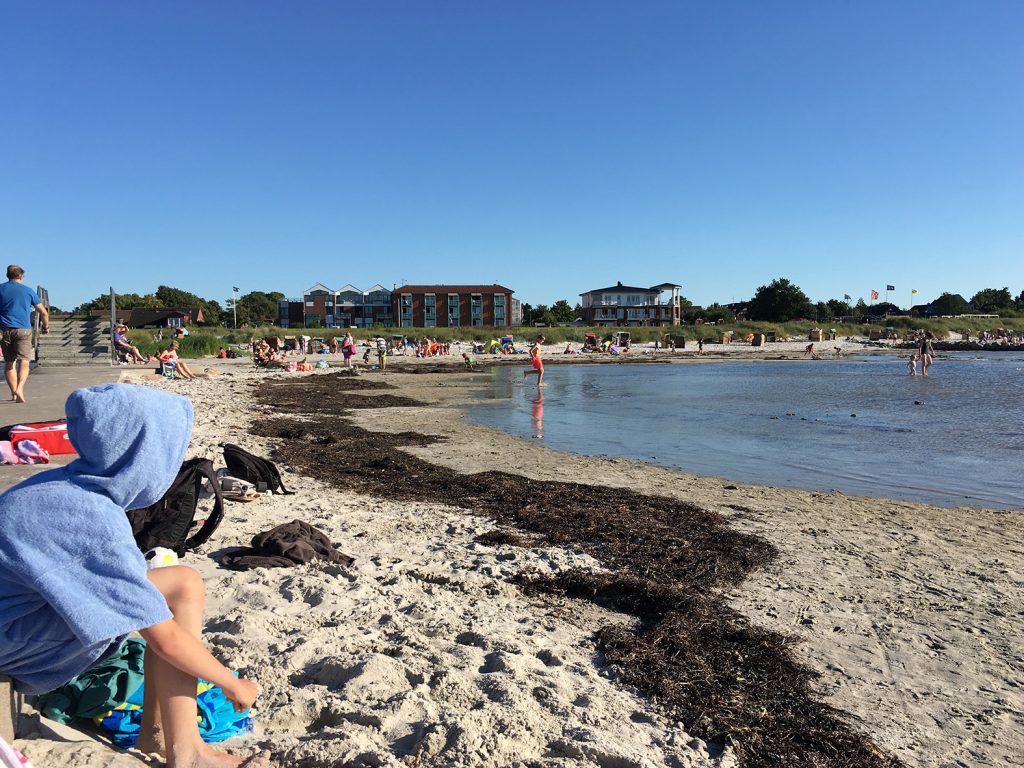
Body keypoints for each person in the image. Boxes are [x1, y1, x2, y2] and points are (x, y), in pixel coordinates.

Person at [0, 384, 267, 768]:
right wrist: (231, 682)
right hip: (10, 637)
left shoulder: (65, 486)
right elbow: (165, 639)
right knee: (158, 615)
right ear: (141, 454)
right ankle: (187, 752)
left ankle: (162, 735)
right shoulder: (89, 517)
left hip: (14, 614)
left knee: (182, 582)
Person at [0, 265, 49, 403]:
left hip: (5, 330)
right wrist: (46, 327)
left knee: (9, 363)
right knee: (25, 362)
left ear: (7, 275)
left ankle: (13, 393)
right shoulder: (28, 291)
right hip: (23, 329)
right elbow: (43, 312)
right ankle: (20, 388)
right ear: (21, 276)